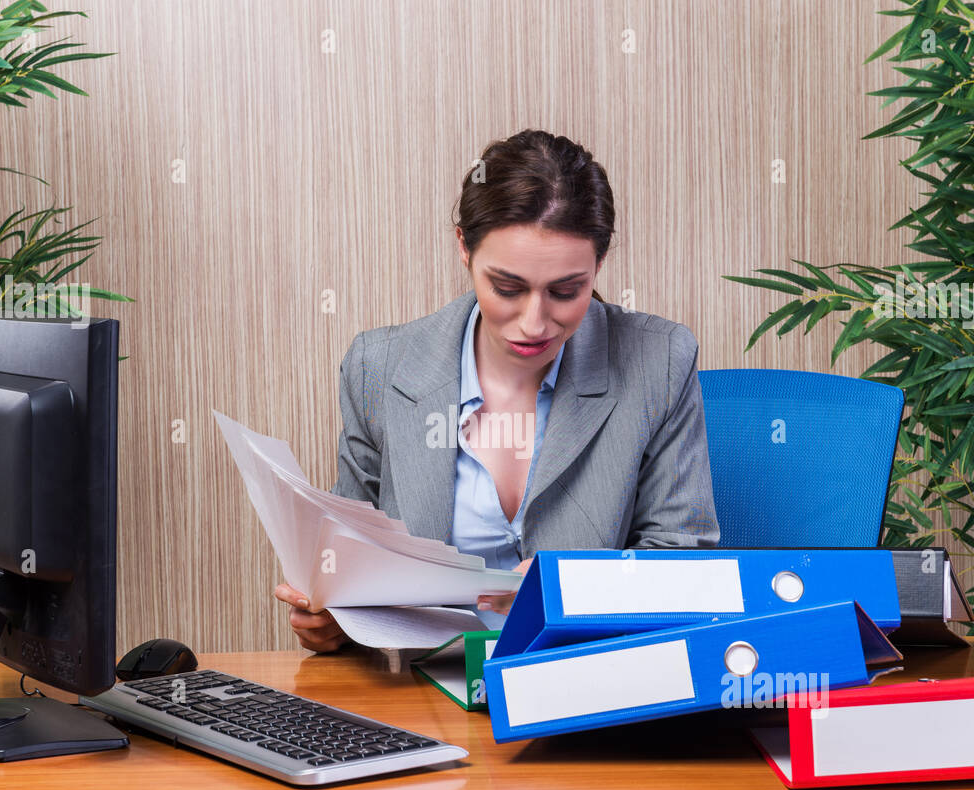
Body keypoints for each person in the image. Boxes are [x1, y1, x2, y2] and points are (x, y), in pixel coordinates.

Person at [276, 129, 719, 652]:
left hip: (588, 689)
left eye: (565, 291)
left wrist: (573, 588)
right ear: (463, 247)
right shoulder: (379, 367)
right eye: (507, 288)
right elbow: (348, 564)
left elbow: (685, 565)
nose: (535, 323)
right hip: (422, 698)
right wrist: (333, 622)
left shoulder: (658, 361)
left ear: (598, 264)